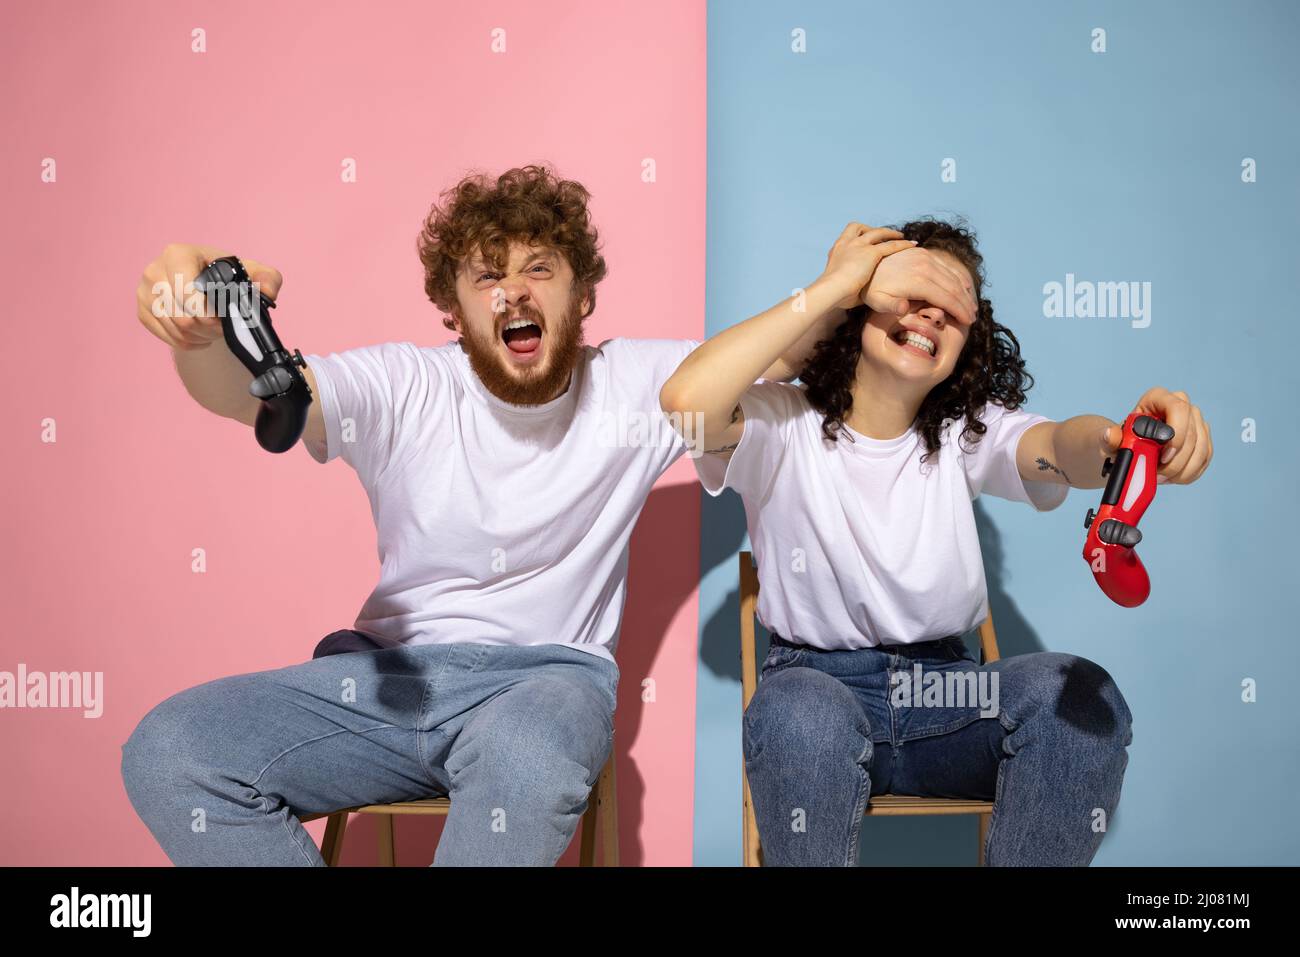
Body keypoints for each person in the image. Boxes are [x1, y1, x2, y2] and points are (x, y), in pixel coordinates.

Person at [660, 218, 1212, 866]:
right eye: (912, 293)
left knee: (1083, 697)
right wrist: (834, 286)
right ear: (861, 302)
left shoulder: (966, 433)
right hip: (819, 689)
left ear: (965, 350)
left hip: (949, 698)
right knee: (797, 713)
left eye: (953, 310)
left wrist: (1124, 443)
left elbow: (1061, 448)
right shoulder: (779, 420)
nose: (930, 315)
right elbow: (686, 398)